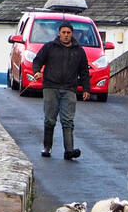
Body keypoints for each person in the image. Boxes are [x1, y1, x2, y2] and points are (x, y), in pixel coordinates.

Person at [31, 23, 91, 160]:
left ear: (72, 34)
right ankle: (47, 147)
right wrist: (36, 72)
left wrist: (86, 89)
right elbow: (37, 61)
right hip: (50, 87)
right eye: (63, 32)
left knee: (68, 120)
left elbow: (84, 72)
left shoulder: (79, 51)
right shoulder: (49, 47)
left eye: (68, 32)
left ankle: (69, 151)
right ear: (59, 33)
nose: (66, 35)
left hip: (69, 89)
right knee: (50, 119)